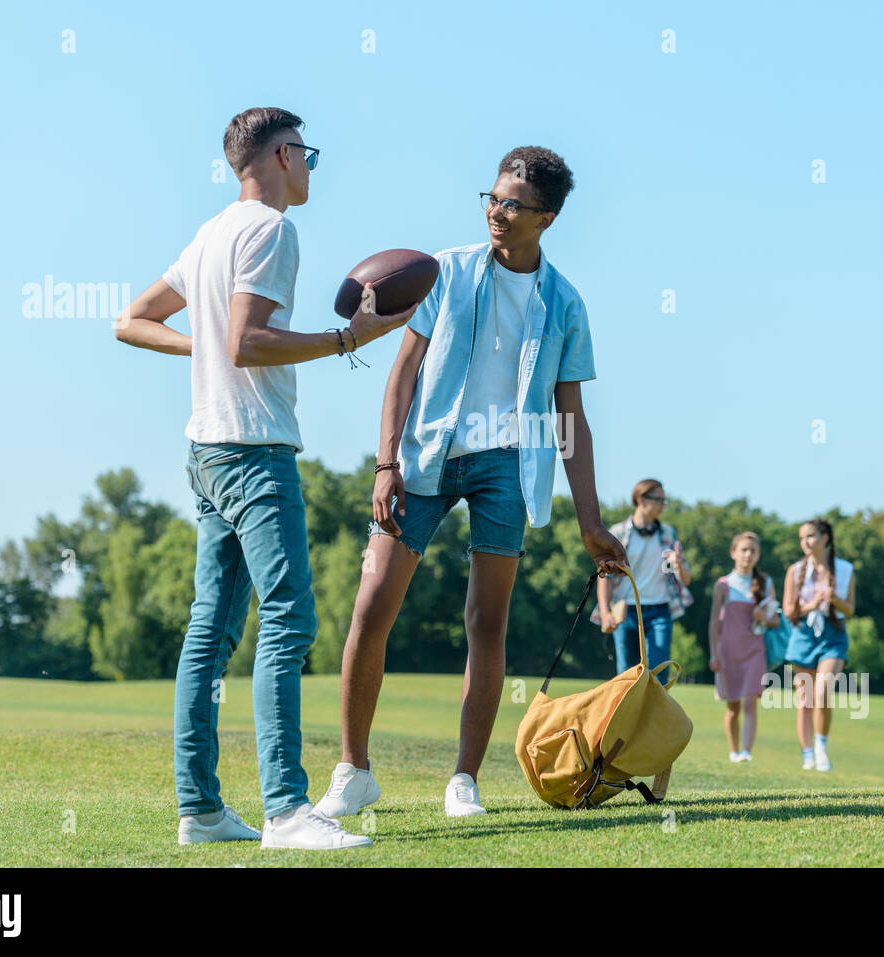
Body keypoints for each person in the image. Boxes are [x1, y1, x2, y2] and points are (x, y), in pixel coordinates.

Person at [114, 107, 417, 850]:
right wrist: (348, 338)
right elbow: (246, 342)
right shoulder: (273, 230)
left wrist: (206, 353)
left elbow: (131, 319)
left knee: (208, 631)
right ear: (283, 154)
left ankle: (202, 810)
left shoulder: (212, 231)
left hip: (207, 451)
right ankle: (285, 809)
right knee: (288, 621)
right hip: (253, 453)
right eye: (307, 153)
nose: (310, 166)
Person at [313, 146, 627, 821]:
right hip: (423, 458)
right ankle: (352, 769)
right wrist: (385, 461)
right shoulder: (447, 272)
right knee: (372, 604)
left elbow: (572, 418)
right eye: (491, 197)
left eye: (513, 203)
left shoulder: (565, 303)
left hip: (508, 469)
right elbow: (403, 371)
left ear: (545, 216)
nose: (497, 211)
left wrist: (591, 520)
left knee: (487, 622)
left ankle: (463, 779)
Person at [591, 479, 693, 683]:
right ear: (641, 500)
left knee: (659, 674)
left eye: (665, 500)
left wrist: (678, 564)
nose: (663, 505)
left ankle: (652, 716)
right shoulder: (618, 533)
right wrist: (605, 612)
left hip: (660, 612)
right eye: (659, 500)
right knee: (625, 676)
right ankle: (627, 715)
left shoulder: (667, 533)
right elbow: (605, 577)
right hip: (625, 611)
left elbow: (686, 580)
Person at [783, 518, 856, 771]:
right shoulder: (795, 571)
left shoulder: (845, 569)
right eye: (802, 538)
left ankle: (821, 747)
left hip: (833, 634)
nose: (805, 542)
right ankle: (807, 755)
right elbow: (789, 610)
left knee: (822, 691)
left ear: (825, 538)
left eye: (811, 536)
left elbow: (850, 608)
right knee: (805, 699)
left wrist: (834, 598)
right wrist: (810, 606)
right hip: (803, 634)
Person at [709, 532, 778, 762]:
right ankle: (734, 751)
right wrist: (713, 653)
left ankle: (747, 753)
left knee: (750, 701)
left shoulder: (766, 583)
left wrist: (762, 616)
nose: (748, 555)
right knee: (733, 706)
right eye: (744, 550)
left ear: (758, 555)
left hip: (755, 651)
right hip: (728, 651)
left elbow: (776, 621)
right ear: (733, 553)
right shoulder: (723, 584)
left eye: (753, 551)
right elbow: (713, 622)